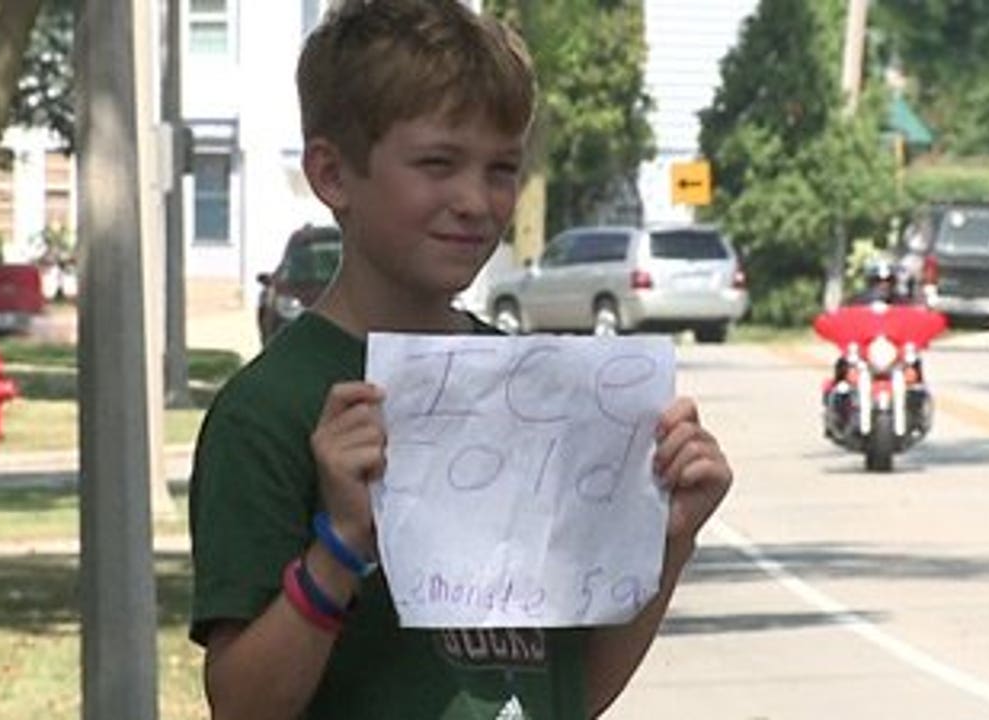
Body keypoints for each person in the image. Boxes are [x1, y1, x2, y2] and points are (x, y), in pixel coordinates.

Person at [186, 2, 734, 719]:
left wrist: (670, 539)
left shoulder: (536, 391)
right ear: (332, 174)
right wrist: (342, 543)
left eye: (501, 168)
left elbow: (569, 692)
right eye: (437, 163)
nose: (476, 200)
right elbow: (242, 706)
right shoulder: (270, 410)